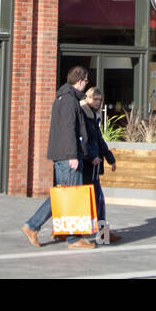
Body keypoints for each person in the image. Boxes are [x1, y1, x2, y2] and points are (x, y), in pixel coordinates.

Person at [20, 65, 96, 248]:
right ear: (80, 81)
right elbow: (68, 129)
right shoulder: (69, 101)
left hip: (62, 155)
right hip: (68, 155)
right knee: (70, 196)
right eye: (86, 81)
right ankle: (71, 237)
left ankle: (41, 227)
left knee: (64, 194)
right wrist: (73, 155)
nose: (86, 84)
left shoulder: (62, 98)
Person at [80, 86, 122, 243]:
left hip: (93, 164)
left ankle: (103, 233)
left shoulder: (93, 116)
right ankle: (99, 233)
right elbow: (84, 140)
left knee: (98, 199)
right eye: (94, 99)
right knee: (94, 199)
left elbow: (98, 140)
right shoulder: (84, 115)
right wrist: (92, 156)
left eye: (99, 100)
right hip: (87, 165)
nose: (97, 102)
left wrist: (110, 157)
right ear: (88, 98)